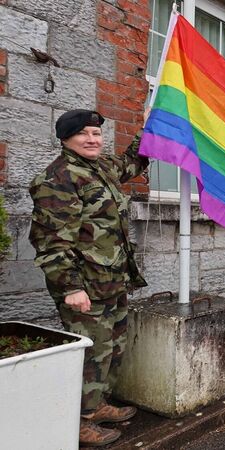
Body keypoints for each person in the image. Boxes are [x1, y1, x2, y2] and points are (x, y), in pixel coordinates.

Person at [28, 109, 149, 447]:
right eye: (84, 134)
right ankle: (79, 421)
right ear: (66, 138)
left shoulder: (103, 167)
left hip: (112, 280)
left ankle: (97, 407)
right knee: (90, 354)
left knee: (112, 348)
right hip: (83, 287)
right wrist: (70, 288)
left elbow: (135, 162)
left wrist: (152, 126)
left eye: (96, 134)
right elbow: (51, 242)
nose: (93, 139)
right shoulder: (58, 178)